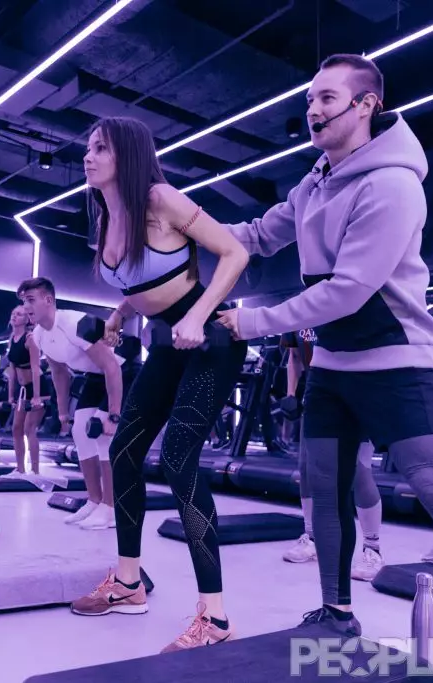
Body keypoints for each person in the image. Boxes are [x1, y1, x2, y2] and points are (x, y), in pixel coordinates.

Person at [218, 54, 433, 681]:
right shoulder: (316, 179)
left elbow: (347, 290)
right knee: (326, 488)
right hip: (334, 365)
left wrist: (252, 322)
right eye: (310, 98)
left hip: (397, 361)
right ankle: (337, 613)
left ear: (366, 104)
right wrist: (182, 223)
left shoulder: (392, 184)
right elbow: (258, 234)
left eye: (327, 98)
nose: (313, 109)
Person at [66, 116, 250, 654]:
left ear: (127, 154)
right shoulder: (106, 215)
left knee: (178, 459)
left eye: (100, 147)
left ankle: (214, 616)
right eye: (88, 146)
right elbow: (145, 278)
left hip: (210, 339)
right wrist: (120, 312)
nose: (89, 155)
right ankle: (128, 582)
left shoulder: (160, 199)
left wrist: (200, 317)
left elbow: (235, 252)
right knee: (123, 449)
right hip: (168, 341)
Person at [19, 278, 127, 530]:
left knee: (100, 434)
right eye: (24, 302)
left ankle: (111, 509)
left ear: (49, 300)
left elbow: (111, 366)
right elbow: (59, 373)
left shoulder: (74, 324)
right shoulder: (39, 335)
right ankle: (94, 500)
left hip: (123, 372)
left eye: (31, 300)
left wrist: (113, 415)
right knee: (80, 430)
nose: (26, 307)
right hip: (94, 376)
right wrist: (63, 412)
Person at [280, 328, 385, 583]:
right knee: (307, 468)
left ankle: (372, 550)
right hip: (318, 394)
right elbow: (294, 358)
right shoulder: (301, 308)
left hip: (360, 393)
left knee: (359, 471)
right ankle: (311, 537)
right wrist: (291, 394)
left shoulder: (350, 295)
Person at [2, 305, 46, 474]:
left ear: (27, 319)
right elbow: (12, 370)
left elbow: (35, 368)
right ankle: (20, 469)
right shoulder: (12, 338)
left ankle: (35, 472)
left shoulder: (30, 338)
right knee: (16, 429)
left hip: (38, 389)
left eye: (19, 314)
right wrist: (10, 395)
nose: (14, 316)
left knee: (29, 429)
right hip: (23, 389)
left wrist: (36, 397)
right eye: (13, 313)